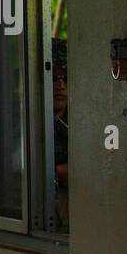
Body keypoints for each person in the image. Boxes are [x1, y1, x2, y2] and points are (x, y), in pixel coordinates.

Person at [52, 38, 69, 232]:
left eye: (65, 77)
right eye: (53, 78)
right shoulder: (25, 127)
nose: (61, 85)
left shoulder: (86, 122)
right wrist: (57, 174)